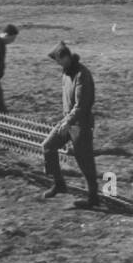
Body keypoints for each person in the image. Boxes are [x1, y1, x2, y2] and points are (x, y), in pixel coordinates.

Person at [40, 41, 99, 208]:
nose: (57, 63)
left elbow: (81, 105)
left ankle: (93, 197)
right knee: (48, 146)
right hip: (68, 121)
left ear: (65, 57)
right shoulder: (66, 73)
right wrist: (65, 120)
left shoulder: (82, 75)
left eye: (58, 60)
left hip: (81, 124)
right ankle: (59, 184)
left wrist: (68, 121)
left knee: (85, 161)